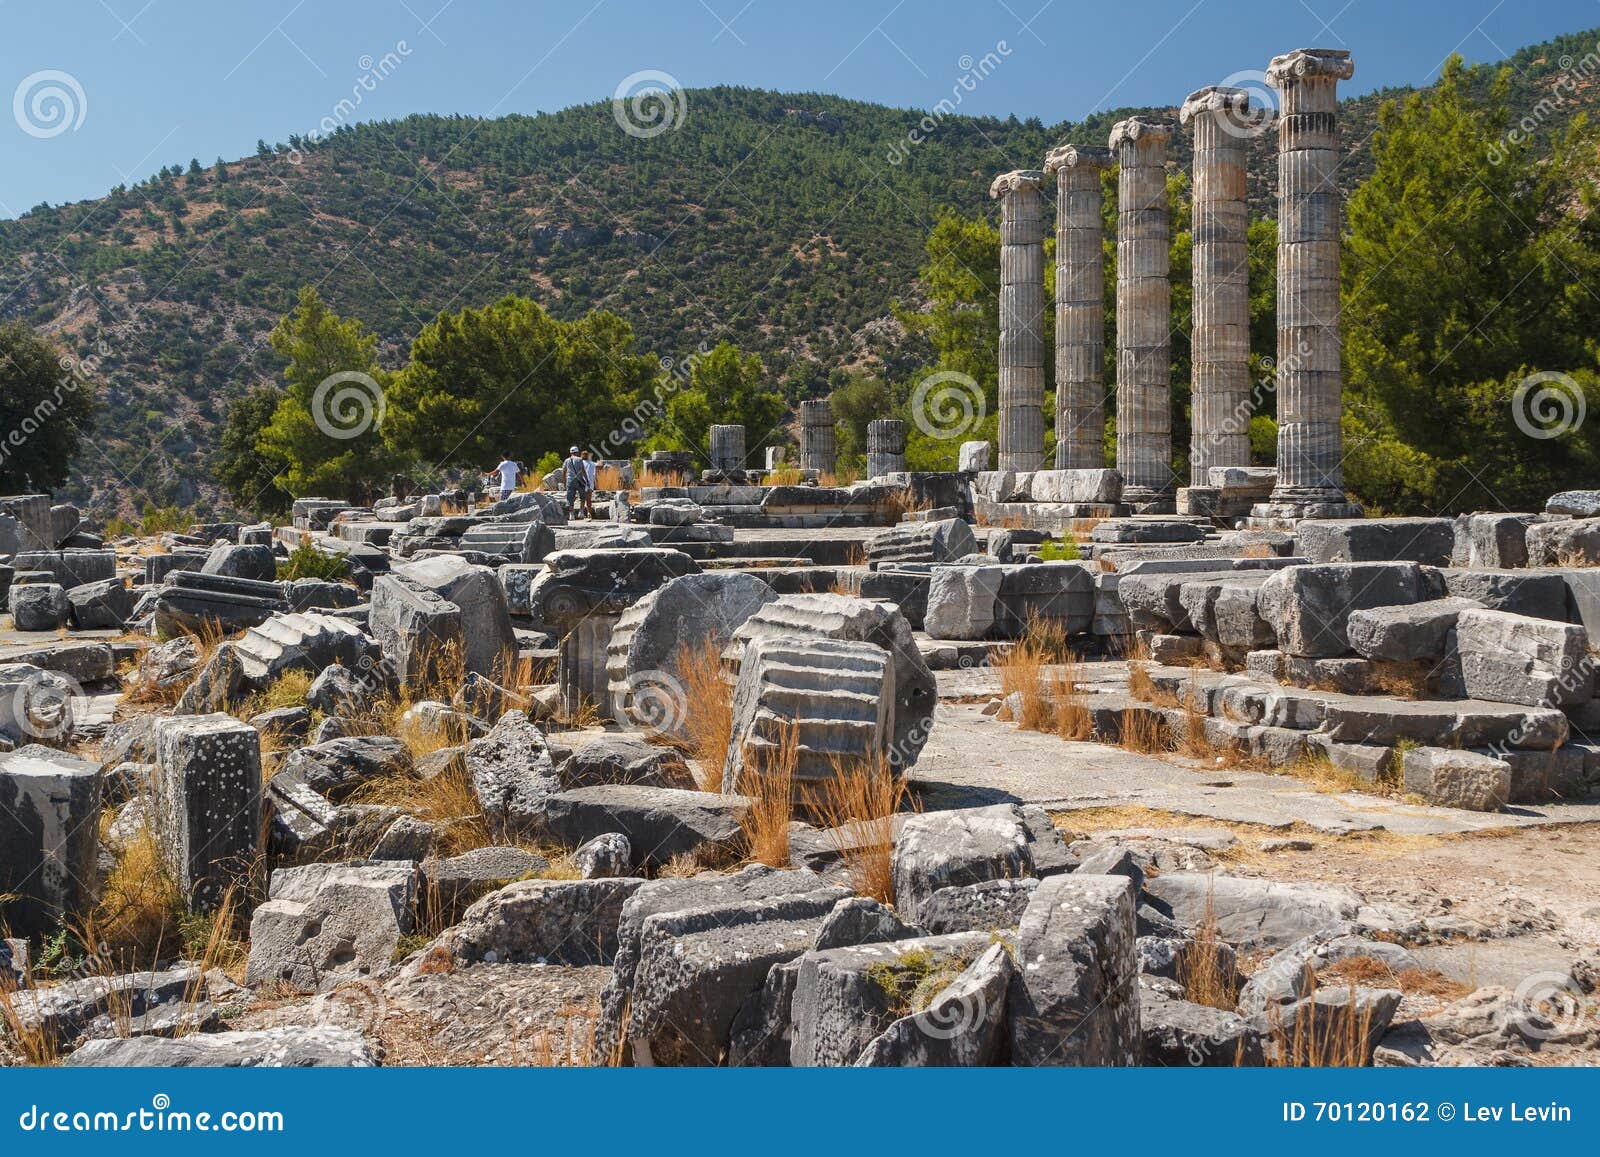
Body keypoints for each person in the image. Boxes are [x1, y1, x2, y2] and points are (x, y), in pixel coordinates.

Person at [563, 445, 590, 520]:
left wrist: (564, 481)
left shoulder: (566, 460)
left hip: (570, 481)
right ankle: (581, 512)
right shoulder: (579, 459)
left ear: (570, 453)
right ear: (577, 452)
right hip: (579, 480)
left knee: (570, 497)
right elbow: (583, 470)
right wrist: (587, 480)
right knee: (582, 496)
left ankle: (571, 514)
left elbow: (564, 471)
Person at [580, 450, 597, 519]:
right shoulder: (592, 463)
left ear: (581, 456)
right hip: (590, 483)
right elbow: (600, 465)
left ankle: (582, 512)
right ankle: (588, 512)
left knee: (582, 498)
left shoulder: (580, 463)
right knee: (589, 499)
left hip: (582, 482)